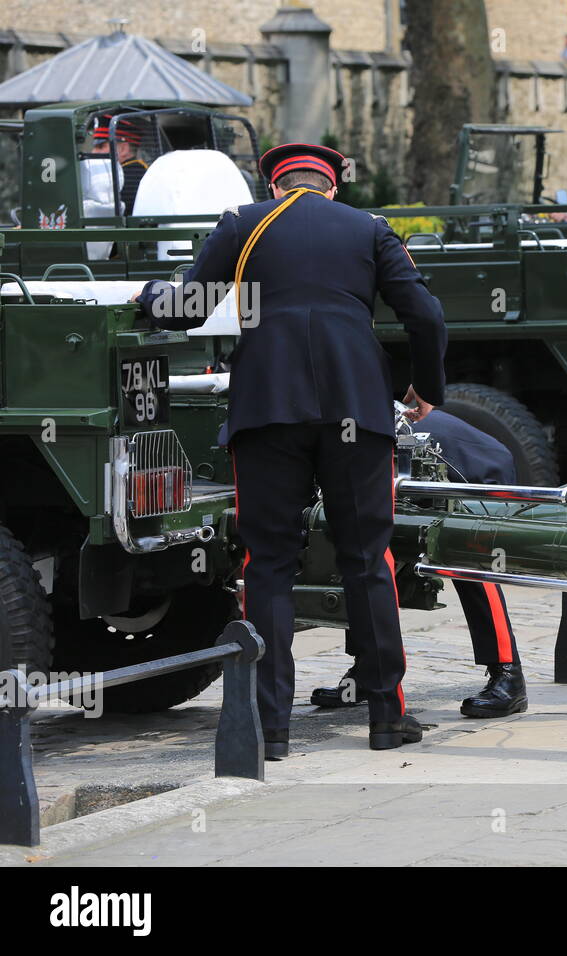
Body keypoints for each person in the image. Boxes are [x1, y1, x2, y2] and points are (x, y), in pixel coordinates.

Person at [135, 143, 446, 758]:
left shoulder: (242, 224)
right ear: (331, 187)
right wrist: (424, 388)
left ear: (275, 185)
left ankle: (268, 726)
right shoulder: (369, 228)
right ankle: (387, 716)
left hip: (268, 410)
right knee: (367, 560)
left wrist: (148, 295)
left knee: (269, 564)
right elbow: (427, 316)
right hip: (355, 410)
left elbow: (187, 309)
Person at [310, 410, 529, 718]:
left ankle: (508, 675)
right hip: (414, 477)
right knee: (366, 557)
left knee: (470, 560)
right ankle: (369, 669)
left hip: (476, 470)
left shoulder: (352, 426)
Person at [88, 114, 149, 215]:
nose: (93, 152)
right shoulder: (131, 171)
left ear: (123, 149)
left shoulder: (128, 178)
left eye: (100, 146)